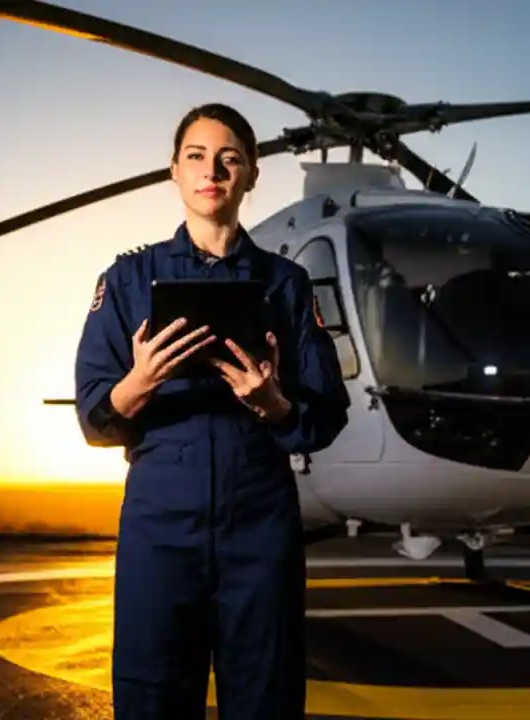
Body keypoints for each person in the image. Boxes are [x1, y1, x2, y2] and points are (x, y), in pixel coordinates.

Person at [73, 103, 351, 719]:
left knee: (266, 698)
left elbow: (327, 415)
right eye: (196, 156)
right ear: (174, 171)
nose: (212, 171)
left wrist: (273, 404)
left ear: (251, 174)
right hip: (159, 524)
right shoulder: (126, 280)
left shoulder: (286, 284)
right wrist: (139, 382)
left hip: (260, 523)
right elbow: (94, 413)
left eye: (230, 159)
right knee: (152, 697)